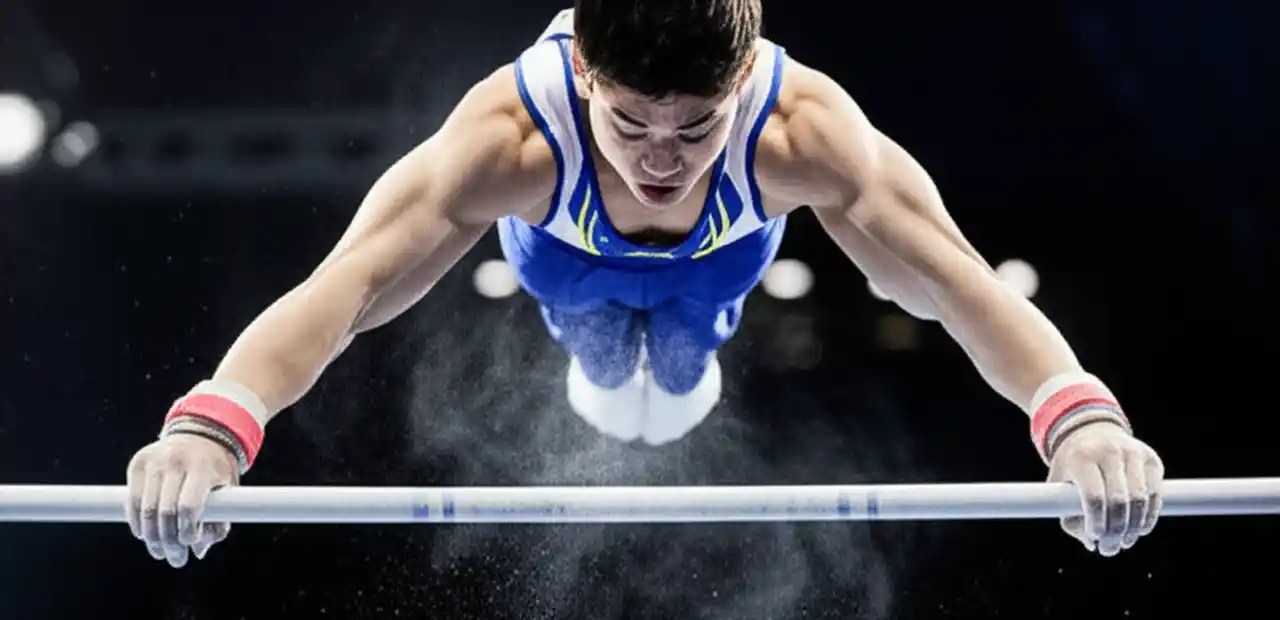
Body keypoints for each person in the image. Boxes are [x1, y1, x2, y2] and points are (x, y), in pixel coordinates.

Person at [125, 1, 1164, 568]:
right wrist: (209, 431)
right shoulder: (506, 139)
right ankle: (608, 360)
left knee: (677, 360)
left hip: (719, 271)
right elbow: (345, 289)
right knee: (597, 342)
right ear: (581, 71)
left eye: (696, 128)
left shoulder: (804, 134)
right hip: (563, 269)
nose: (661, 160)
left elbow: (954, 286)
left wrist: (1077, 424)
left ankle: (676, 364)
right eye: (628, 124)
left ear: (741, 82)